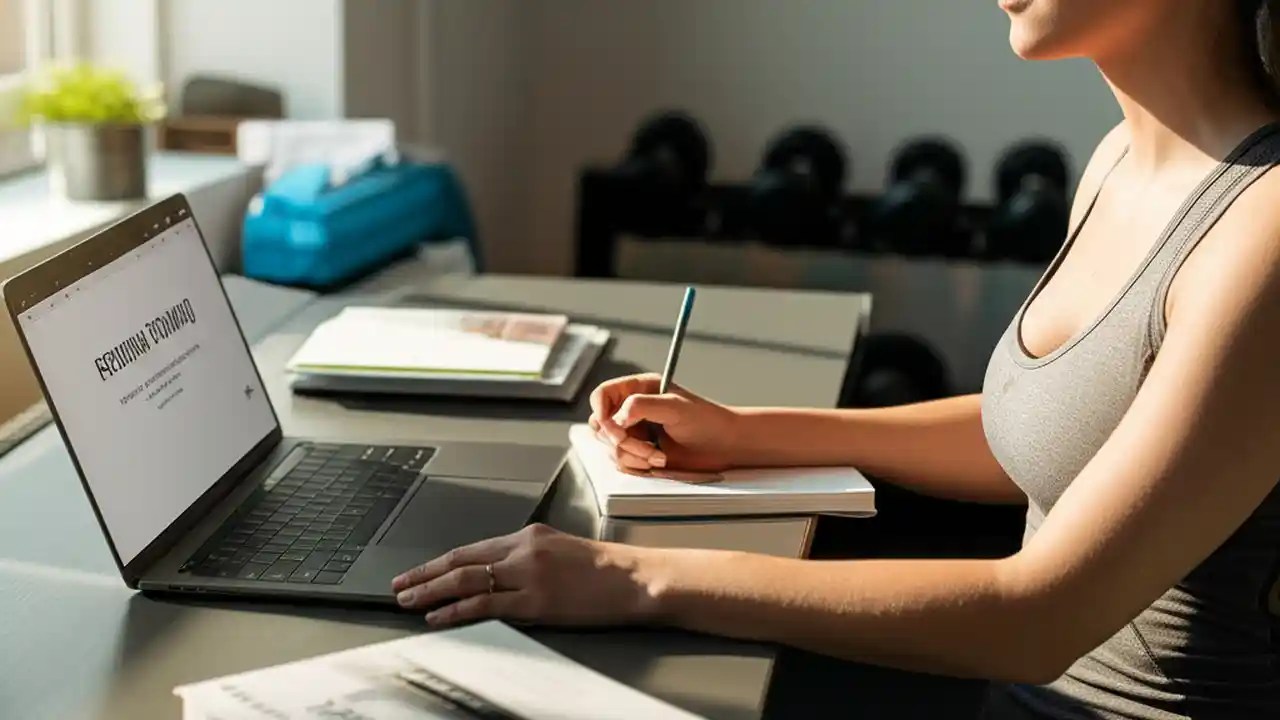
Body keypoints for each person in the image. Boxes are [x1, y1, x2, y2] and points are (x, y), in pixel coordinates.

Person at [392, 1, 1280, 716]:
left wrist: (632, 575)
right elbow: (1060, 430)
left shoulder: (1264, 230)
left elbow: (1038, 619)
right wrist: (751, 435)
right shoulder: (1121, 159)